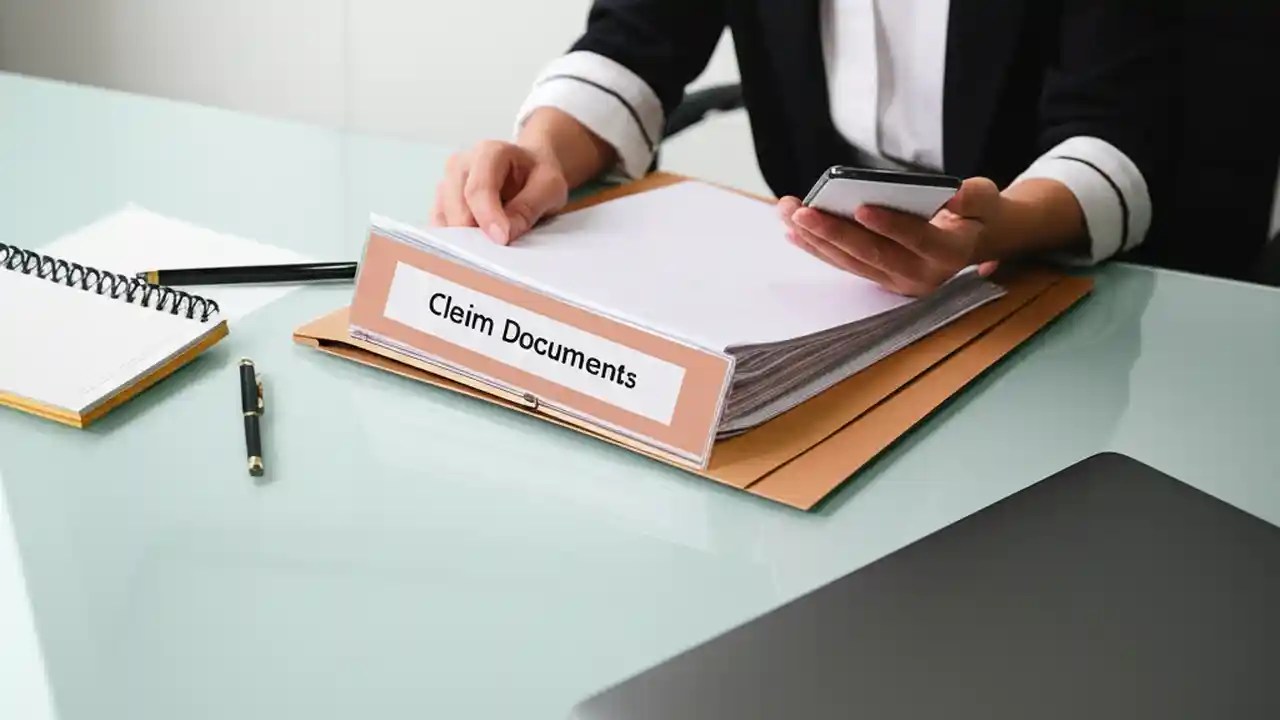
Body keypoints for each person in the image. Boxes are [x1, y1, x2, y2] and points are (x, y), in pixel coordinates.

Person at [431, 0, 1177, 297]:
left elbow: (1110, 127)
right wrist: (545, 148)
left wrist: (1000, 227)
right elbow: (637, 35)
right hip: (819, 279)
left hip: (1035, 272)